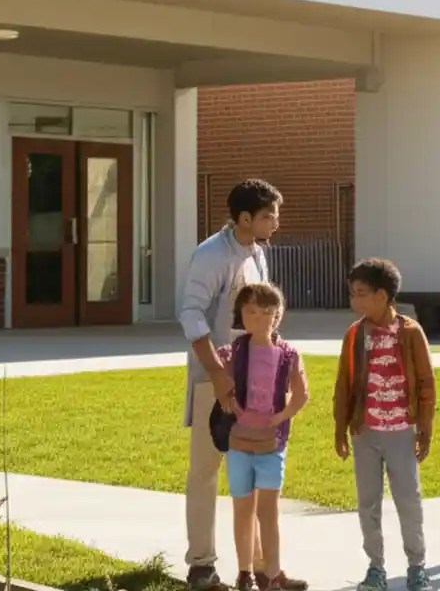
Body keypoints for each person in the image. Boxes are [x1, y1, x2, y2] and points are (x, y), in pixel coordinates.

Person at [179, 178, 307, 591]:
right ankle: (201, 565)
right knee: (205, 470)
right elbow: (191, 314)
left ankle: (262, 570)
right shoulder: (211, 255)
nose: (276, 222)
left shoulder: (258, 253)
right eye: (269, 215)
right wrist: (217, 374)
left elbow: (265, 314)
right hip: (211, 380)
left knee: (252, 472)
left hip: (257, 382)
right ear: (245, 217)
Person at [334, 259, 436, 591]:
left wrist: (425, 428)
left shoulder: (409, 332)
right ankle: (375, 567)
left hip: (401, 433)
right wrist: (341, 428)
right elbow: (344, 385)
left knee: (409, 500)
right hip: (365, 433)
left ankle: (417, 565)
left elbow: (426, 383)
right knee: (368, 502)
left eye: (361, 294)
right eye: (352, 294)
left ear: (382, 295)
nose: (355, 302)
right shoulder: (354, 335)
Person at [211, 282, 308, 591]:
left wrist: (281, 416)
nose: (260, 319)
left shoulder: (288, 354)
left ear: (278, 315)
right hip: (239, 444)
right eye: (252, 312)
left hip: (271, 445)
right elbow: (219, 376)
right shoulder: (235, 351)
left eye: (268, 312)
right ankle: (244, 572)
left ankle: (272, 571)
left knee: (268, 512)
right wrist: (229, 400)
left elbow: (302, 395)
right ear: (241, 314)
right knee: (242, 510)